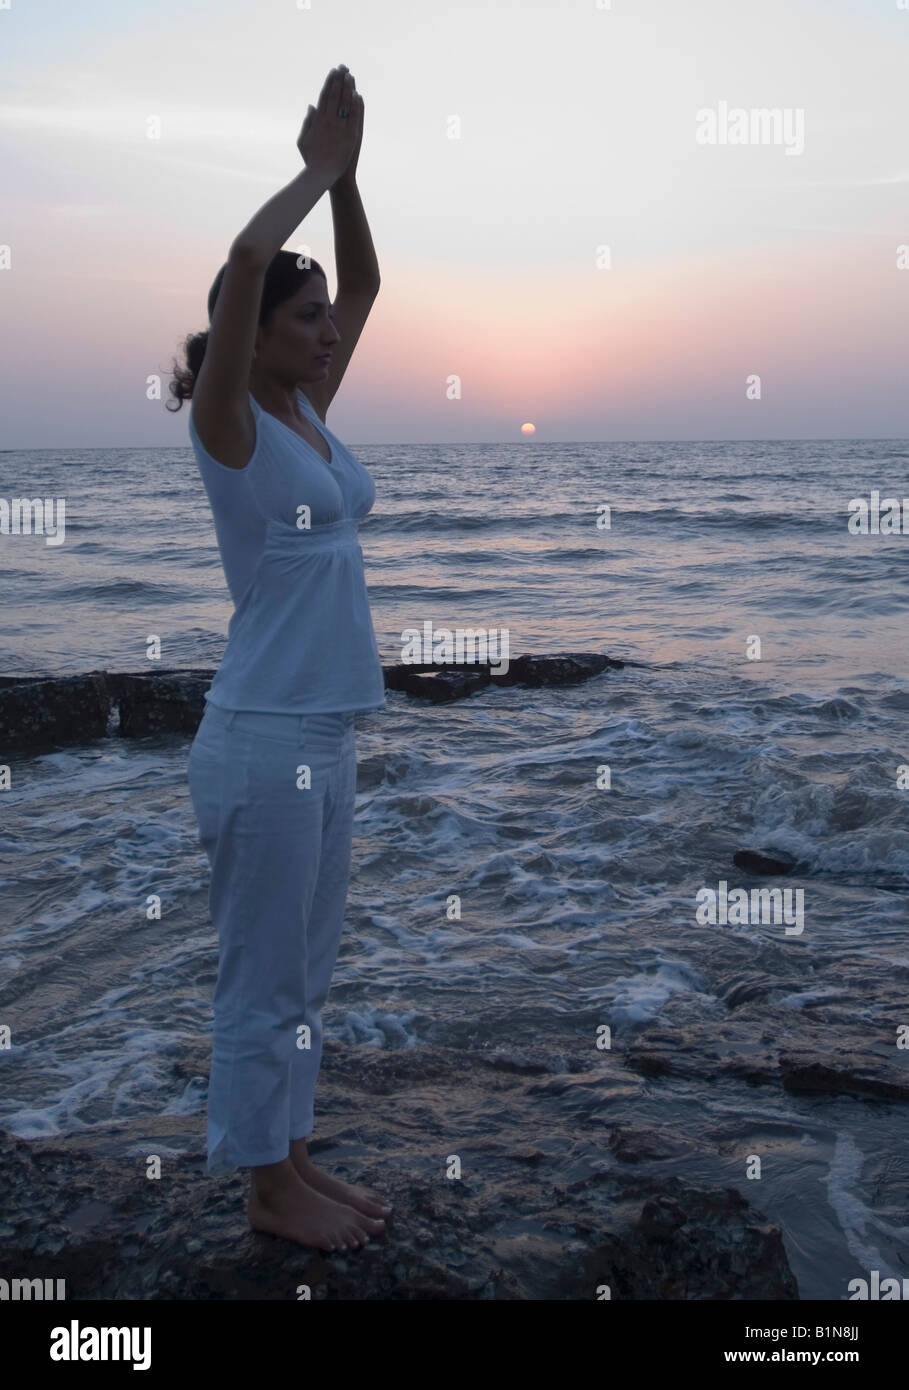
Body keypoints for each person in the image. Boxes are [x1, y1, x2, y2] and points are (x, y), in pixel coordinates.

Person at [168, 65, 392, 1252]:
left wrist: (350, 181)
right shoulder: (233, 423)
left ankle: (292, 1162)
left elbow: (358, 278)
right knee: (261, 981)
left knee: (304, 978)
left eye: (325, 327)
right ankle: (263, 1190)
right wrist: (308, 166)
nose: (330, 331)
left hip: (325, 730)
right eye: (307, 324)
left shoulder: (306, 410)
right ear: (254, 336)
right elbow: (252, 264)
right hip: (259, 739)